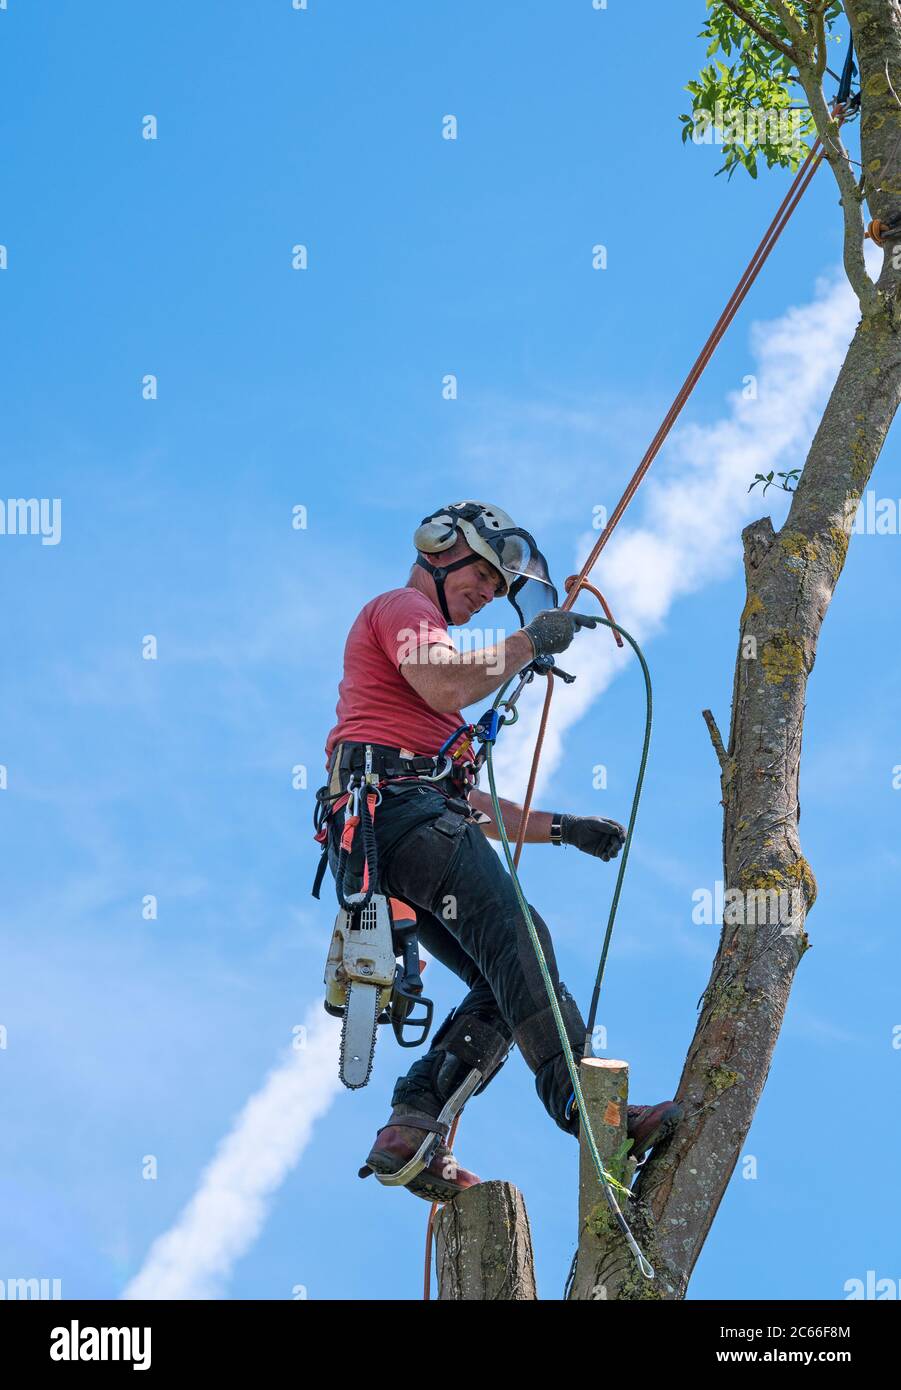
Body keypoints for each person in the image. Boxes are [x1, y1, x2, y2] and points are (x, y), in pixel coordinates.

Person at [316, 502, 681, 1202]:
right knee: (521, 941)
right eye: (481, 573)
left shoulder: (427, 713)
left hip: (393, 825)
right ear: (438, 548)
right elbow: (447, 681)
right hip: (396, 816)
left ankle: (411, 1123)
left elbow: (463, 807)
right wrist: (526, 643)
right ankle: (592, 1109)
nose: (487, 592)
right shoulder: (402, 610)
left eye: (496, 583)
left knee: (500, 980)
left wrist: (561, 827)